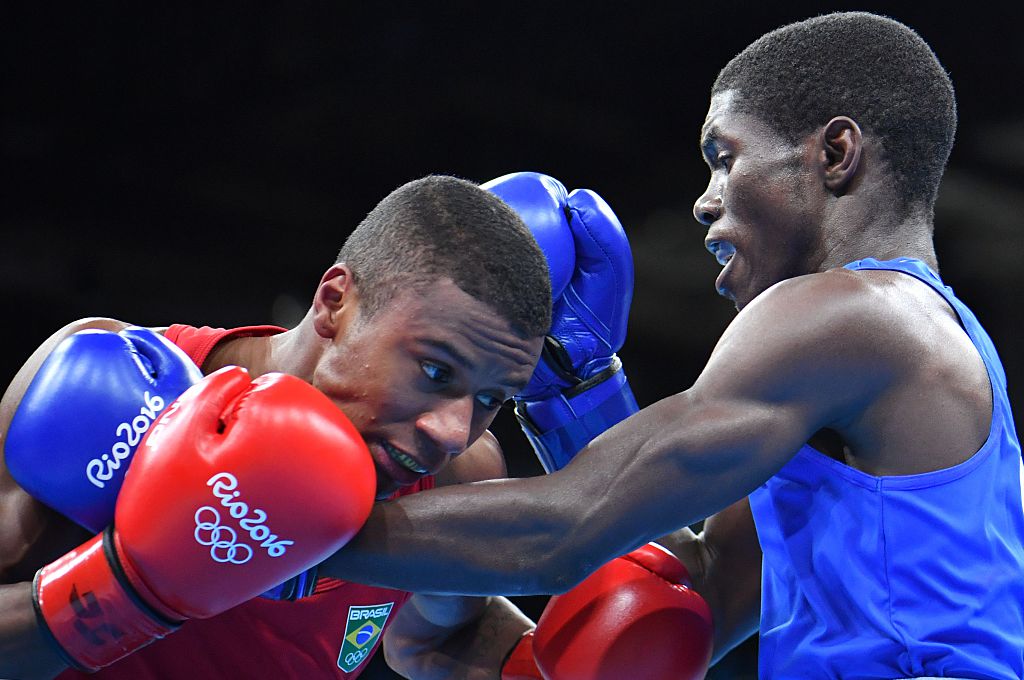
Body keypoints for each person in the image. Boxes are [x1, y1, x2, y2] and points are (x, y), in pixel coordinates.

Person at [316, 12, 1024, 679]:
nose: (705, 199)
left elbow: (567, 529)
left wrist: (285, 522)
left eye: (725, 156)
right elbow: (692, 584)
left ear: (834, 153)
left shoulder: (852, 315)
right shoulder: (902, 346)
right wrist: (578, 389)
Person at [0, 174, 559, 679]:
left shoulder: (458, 474)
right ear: (334, 302)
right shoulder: (113, 390)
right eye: (436, 371)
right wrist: (130, 590)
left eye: (490, 398)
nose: (453, 432)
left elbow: (448, 632)